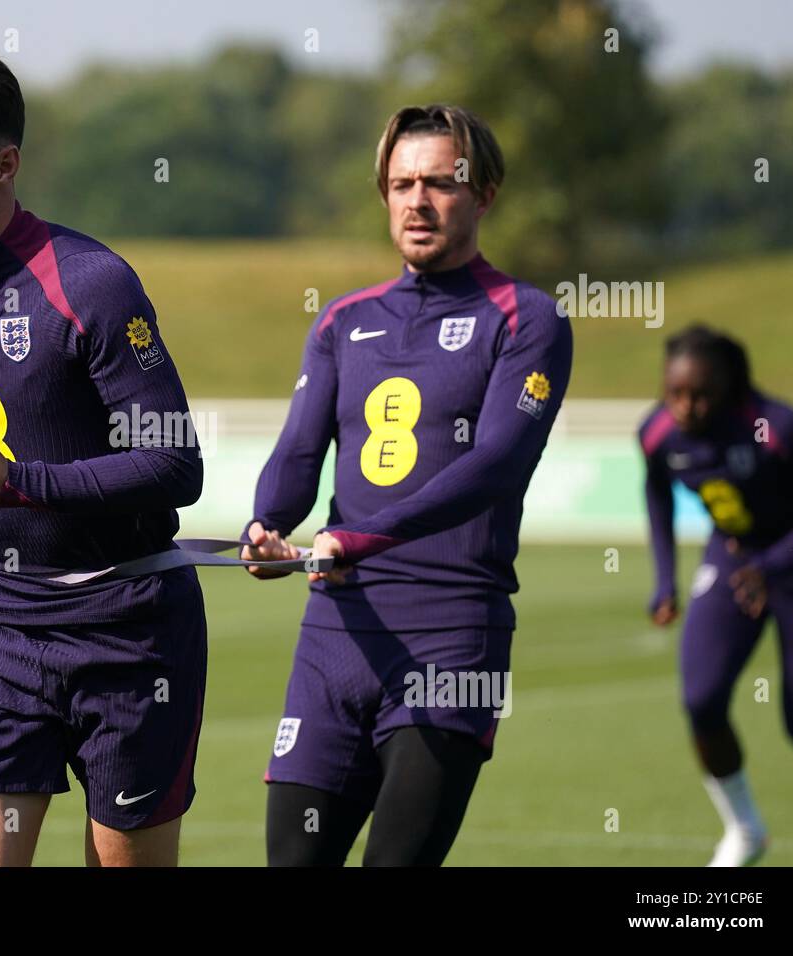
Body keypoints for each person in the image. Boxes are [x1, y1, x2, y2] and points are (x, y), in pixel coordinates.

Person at [0, 49, 207, 866]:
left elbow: (175, 468)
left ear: (4, 165)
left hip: (127, 630)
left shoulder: (92, 284)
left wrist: (18, 485)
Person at [242, 104, 572, 866]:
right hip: (336, 634)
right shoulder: (340, 320)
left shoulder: (529, 319)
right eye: (400, 184)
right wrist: (266, 526)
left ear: (484, 193)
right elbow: (298, 453)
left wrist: (362, 537)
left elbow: (497, 462)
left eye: (439, 183)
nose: (417, 201)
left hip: (454, 637)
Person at [639, 324, 793, 866]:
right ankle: (745, 829)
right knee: (701, 698)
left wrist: (774, 564)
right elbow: (657, 492)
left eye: (700, 394)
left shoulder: (775, 426)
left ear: (731, 386)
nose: (685, 407)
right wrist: (665, 581)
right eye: (675, 393)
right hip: (735, 560)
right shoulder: (659, 432)